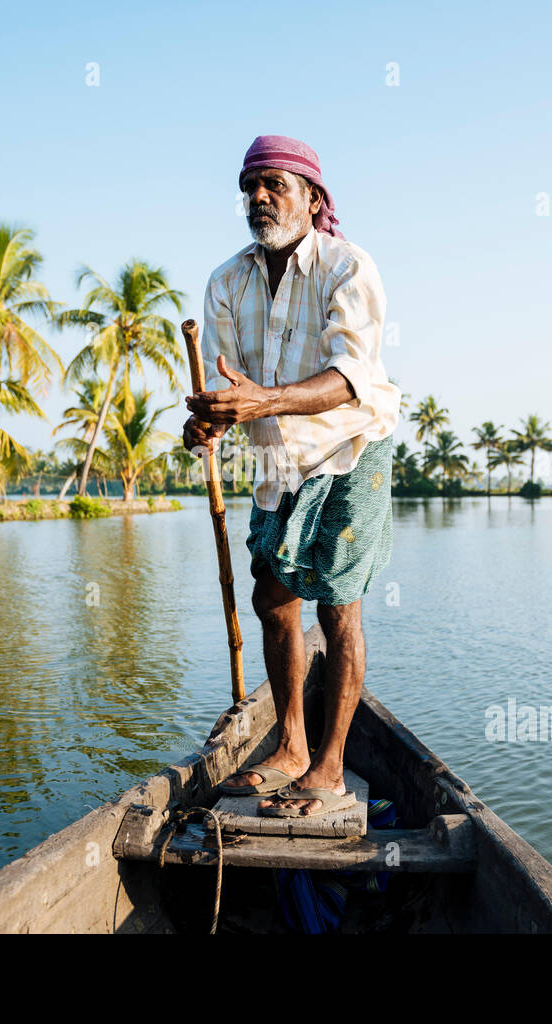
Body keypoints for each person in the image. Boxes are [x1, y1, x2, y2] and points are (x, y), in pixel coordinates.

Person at [183, 134, 401, 816]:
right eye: (251, 187)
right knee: (273, 600)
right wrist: (207, 424)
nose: (260, 198)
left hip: (350, 452)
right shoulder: (226, 281)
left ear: (313, 199)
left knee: (338, 608)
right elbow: (230, 390)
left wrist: (262, 401)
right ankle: (292, 746)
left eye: (275, 184)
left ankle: (330, 768)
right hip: (279, 459)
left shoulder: (348, 266)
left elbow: (351, 379)